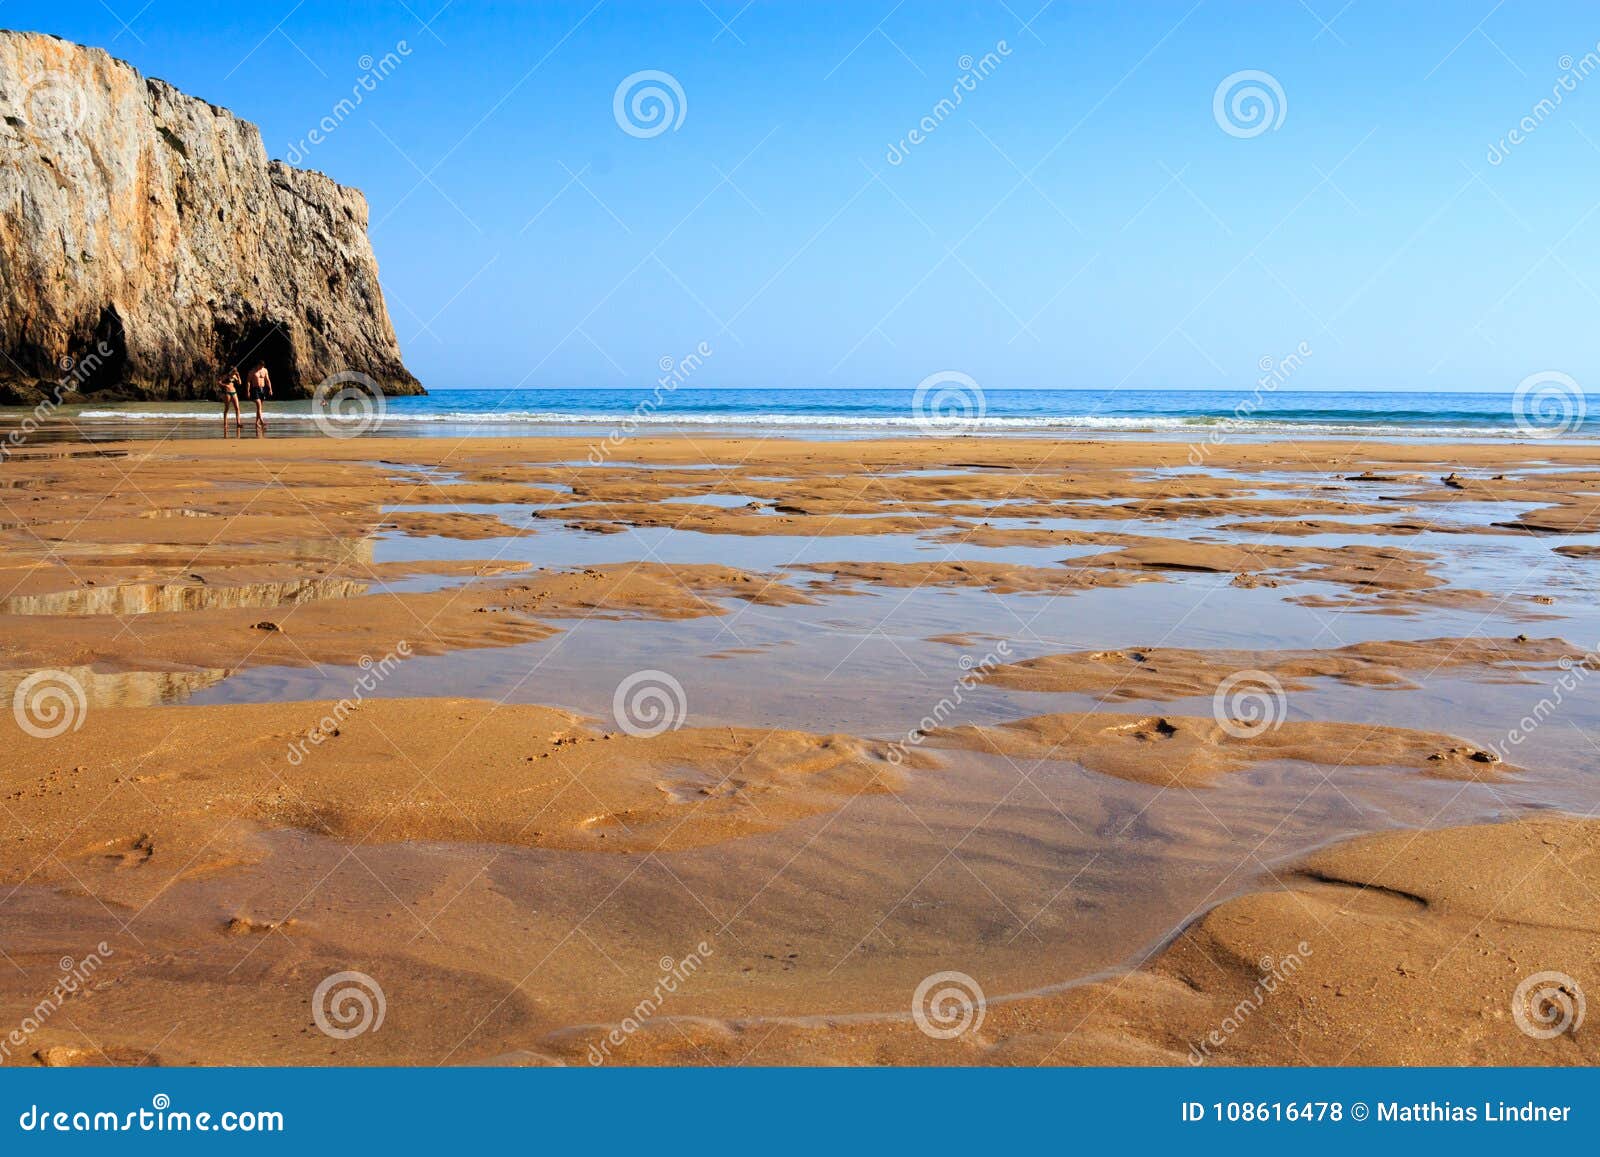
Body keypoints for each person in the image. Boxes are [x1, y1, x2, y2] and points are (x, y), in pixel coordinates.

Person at [244, 359, 272, 437]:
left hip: (262, 390)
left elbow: (267, 380)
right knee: (259, 405)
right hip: (255, 389)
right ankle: (262, 422)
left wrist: (270, 389)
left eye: (262, 366)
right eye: (260, 366)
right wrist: (248, 391)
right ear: (258, 365)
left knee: (259, 408)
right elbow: (248, 382)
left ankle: (256, 423)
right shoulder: (252, 371)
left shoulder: (265, 370)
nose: (261, 368)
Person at [217, 366, 242, 438]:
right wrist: (225, 385)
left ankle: (238, 423)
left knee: (237, 408)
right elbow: (219, 382)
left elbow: (240, 383)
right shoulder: (226, 376)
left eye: (235, 371)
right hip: (227, 393)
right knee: (227, 408)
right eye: (234, 371)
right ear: (231, 371)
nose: (235, 372)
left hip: (234, 392)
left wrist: (238, 376)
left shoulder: (235, 376)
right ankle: (225, 423)